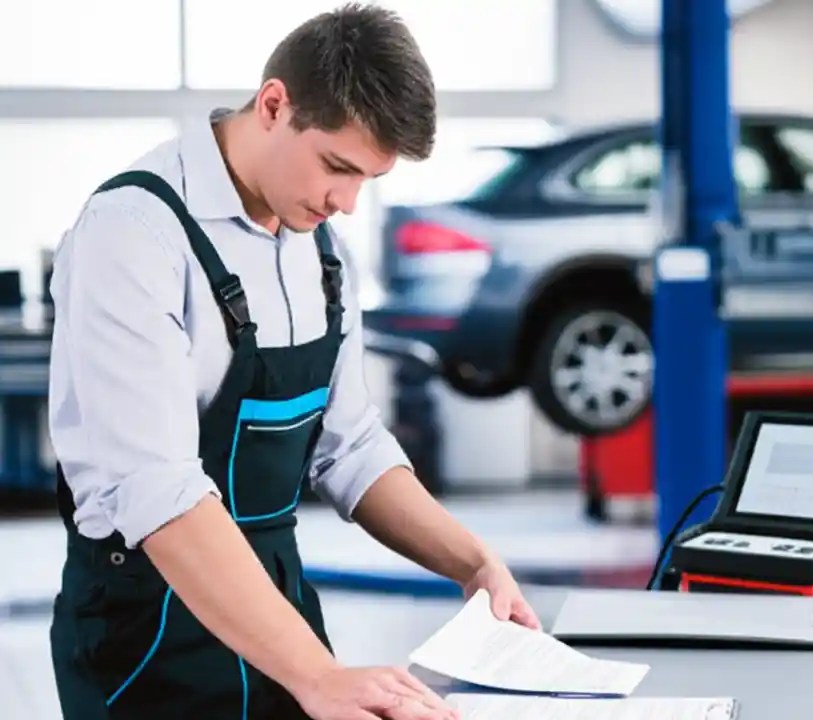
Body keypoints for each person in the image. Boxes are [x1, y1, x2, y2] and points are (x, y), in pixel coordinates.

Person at [46, 5, 538, 719]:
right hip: (146, 630)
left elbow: (352, 448)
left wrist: (474, 563)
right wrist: (318, 675)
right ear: (275, 105)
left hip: (282, 617)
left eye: (368, 178)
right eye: (337, 166)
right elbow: (158, 491)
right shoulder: (134, 233)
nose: (346, 202)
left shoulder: (325, 251)